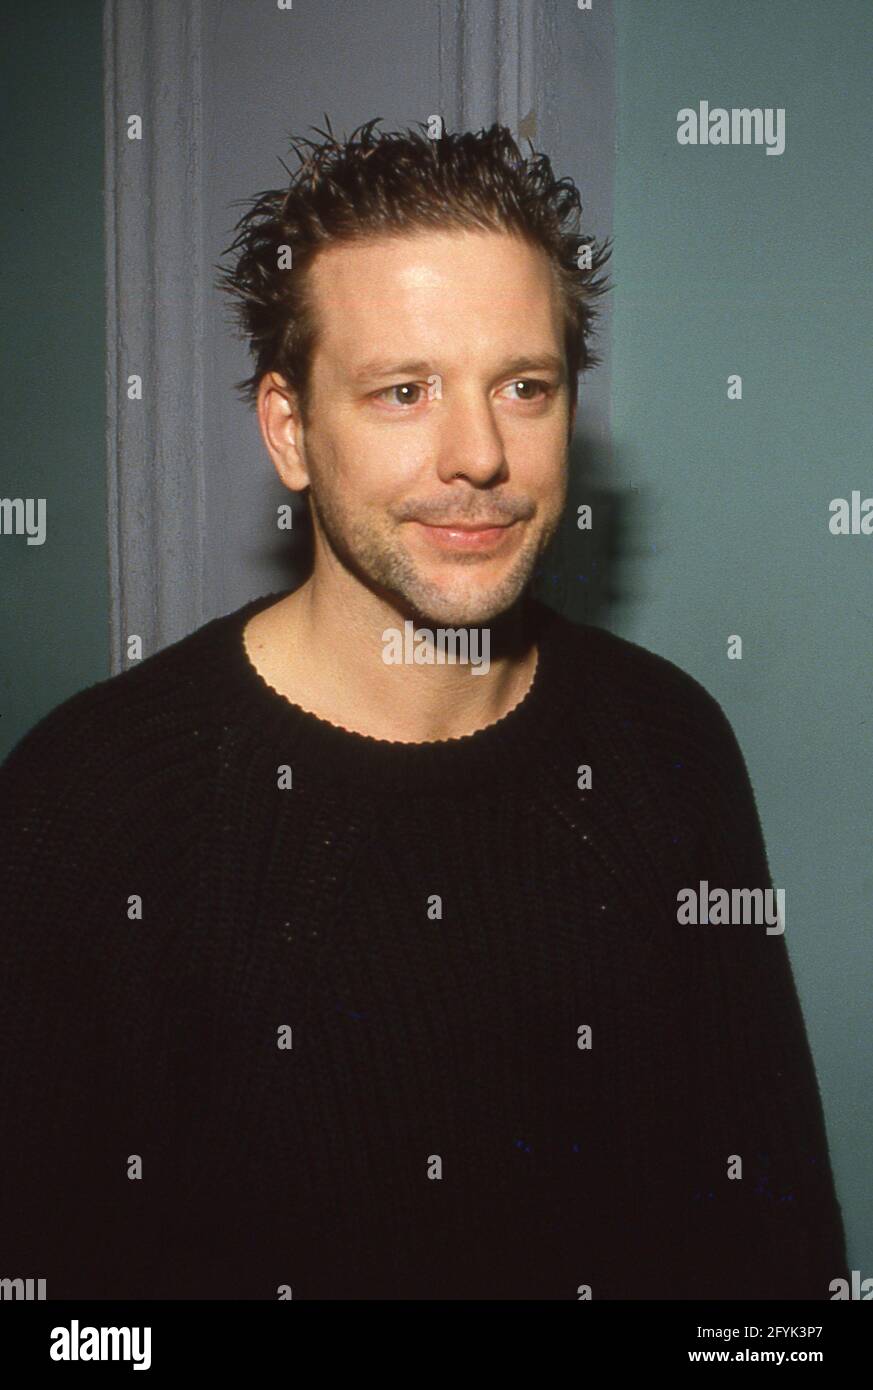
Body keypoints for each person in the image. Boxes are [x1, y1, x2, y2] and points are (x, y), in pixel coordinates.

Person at [0, 119, 847, 1300]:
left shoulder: (671, 745)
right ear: (291, 431)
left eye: (523, 386)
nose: (480, 455)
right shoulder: (87, 803)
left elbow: (776, 1242)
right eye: (404, 390)